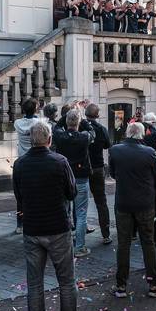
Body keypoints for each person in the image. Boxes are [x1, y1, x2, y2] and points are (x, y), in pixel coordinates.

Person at [14, 121, 87, 311]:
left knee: (34, 284)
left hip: (33, 228)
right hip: (57, 227)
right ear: (49, 139)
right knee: (66, 281)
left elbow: (19, 196)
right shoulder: (60, 162)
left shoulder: (20, 164)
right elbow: (72, 191)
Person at [108, 122, 156, 297]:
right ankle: (153, 283)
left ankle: (121, 285)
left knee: (124, 243)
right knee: (148, 242)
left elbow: (112, 173)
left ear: (127, 133)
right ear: (141, 135)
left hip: (124, 202)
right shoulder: (149, 152)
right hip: (145, 203)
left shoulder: (115, 150)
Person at [53, 109, 94, 257]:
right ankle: (79, 247)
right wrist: (81, 117)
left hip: (64, 177)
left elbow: (57, 126)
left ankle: (64, 245)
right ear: (78, 123)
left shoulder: (59, 136)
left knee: (64, 211)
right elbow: (91, 130)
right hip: (81, 177)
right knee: (81, 213)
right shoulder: (84, 137)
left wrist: (67, 116)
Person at [13, 98, 44, 234]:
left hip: (21, 160)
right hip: (35, 159)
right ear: (36, 109)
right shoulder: (38, 123)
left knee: (21, 194)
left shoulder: (17, 123)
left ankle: (20, 224)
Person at [85, 103, 115, 246]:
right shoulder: (101, 129)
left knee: (79, 203)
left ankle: (79, 233)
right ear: (97, 115)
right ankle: (106, 234)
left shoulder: (80, 127)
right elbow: (107, 145)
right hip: (97, 167)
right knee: (101, 202)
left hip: (82, 168)